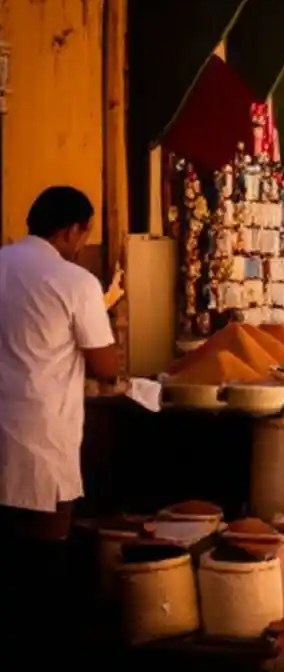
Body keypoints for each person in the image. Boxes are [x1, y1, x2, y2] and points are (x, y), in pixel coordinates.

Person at [0, 186, 123, 652]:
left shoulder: (2, 264)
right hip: (41, 428)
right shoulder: (73, 281)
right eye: (84, 234)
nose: (82, 243)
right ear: (71, 229)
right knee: (46, 546)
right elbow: (106, 365)